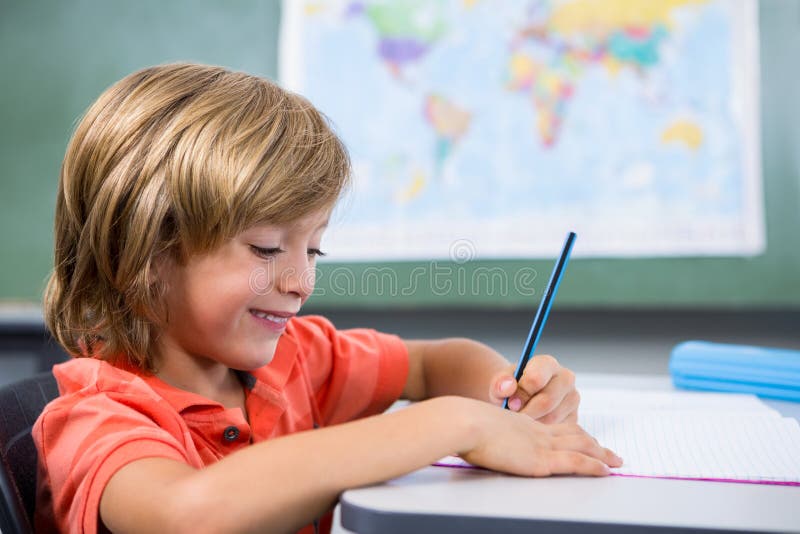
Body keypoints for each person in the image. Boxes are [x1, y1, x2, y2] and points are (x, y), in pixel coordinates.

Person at [34, 63, 621, 534]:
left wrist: (509, 398)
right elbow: (188, 513)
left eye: (313, 251)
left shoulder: (294, 360)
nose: (300, 281)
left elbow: (432, 362)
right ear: (140, 255)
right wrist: (453, 425)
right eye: (266, 248)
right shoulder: (96, 418)